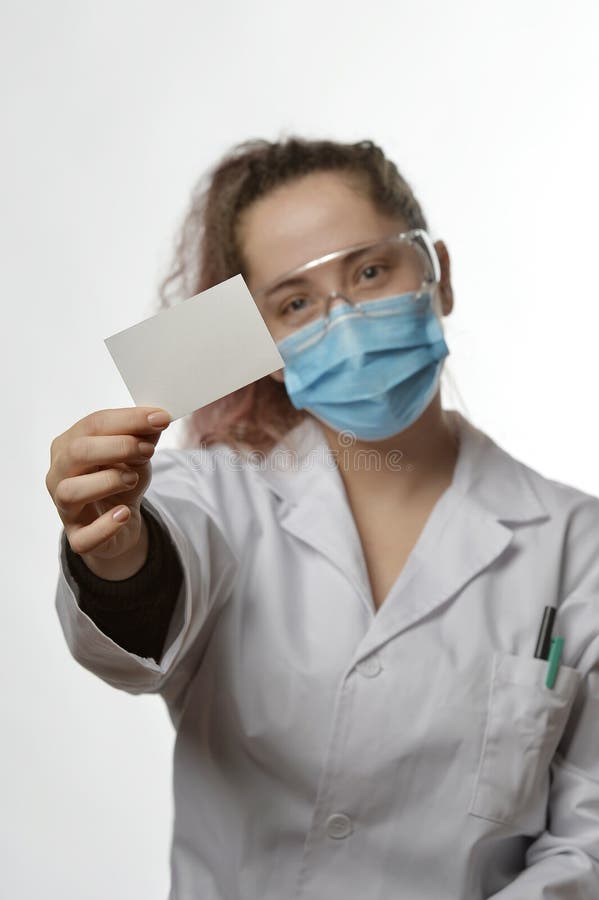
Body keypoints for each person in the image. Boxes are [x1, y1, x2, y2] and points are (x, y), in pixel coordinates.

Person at [46, 137, 599, 899]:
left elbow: (587, 844)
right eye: (295, 303)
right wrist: (114, 550)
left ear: (437, 275)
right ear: (264, 348)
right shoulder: (214, 497)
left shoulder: (577, 544)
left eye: (370, 271)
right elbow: (142, 609)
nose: (343, 319)